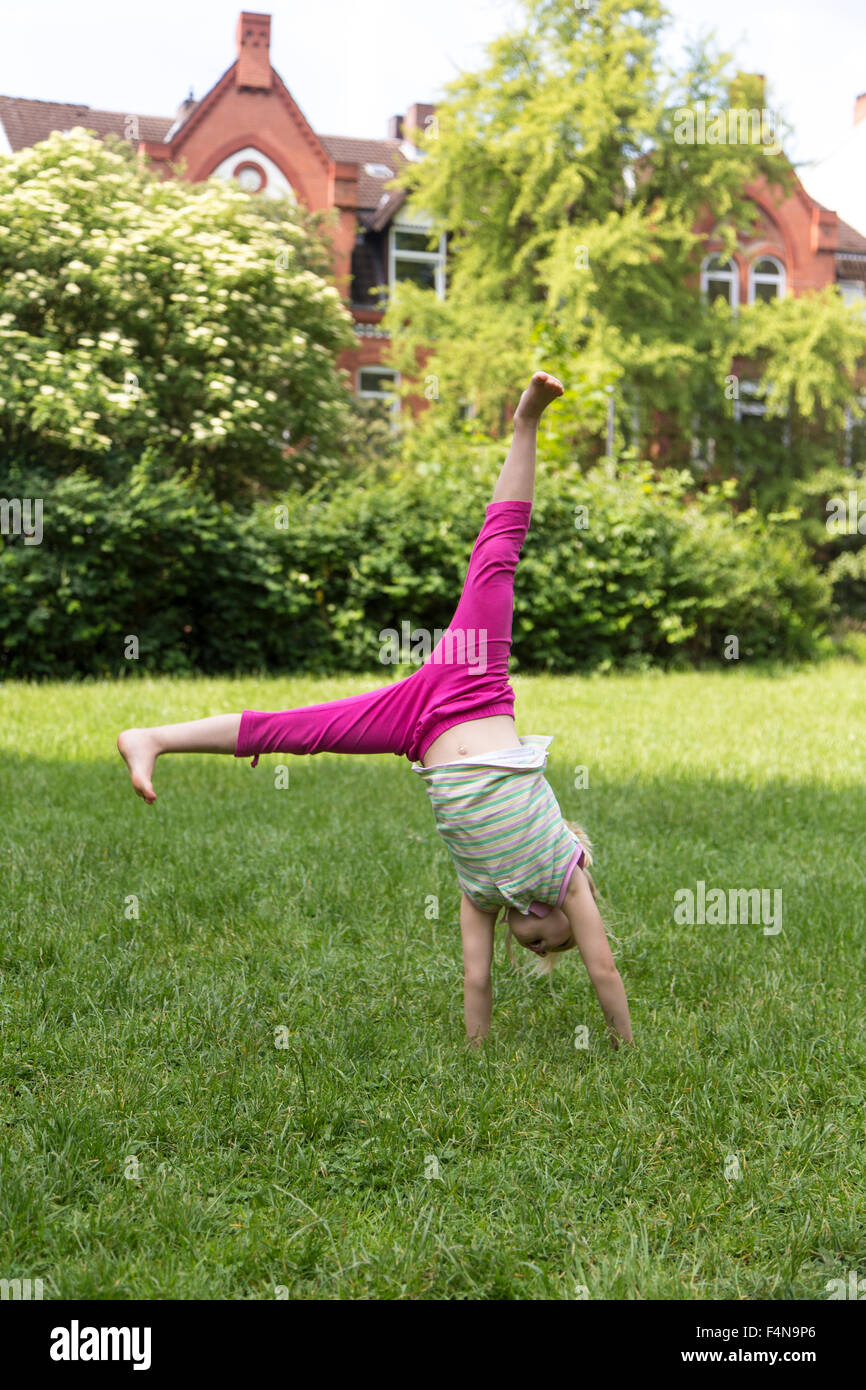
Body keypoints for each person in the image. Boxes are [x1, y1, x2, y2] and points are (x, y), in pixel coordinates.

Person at [118, 372, 633, 1047]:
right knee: (496, 556)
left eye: (533, 948)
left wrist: (477, 1056)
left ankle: (153, 736)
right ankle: (526, 423)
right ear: (573, 909)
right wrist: (627, 1046)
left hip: (418, 726)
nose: (537, 943)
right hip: (473, 682)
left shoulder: (481, 891)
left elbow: (476, 982)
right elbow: (603, 967)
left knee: (293, 732)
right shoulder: (566, 871)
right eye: (549, 942)